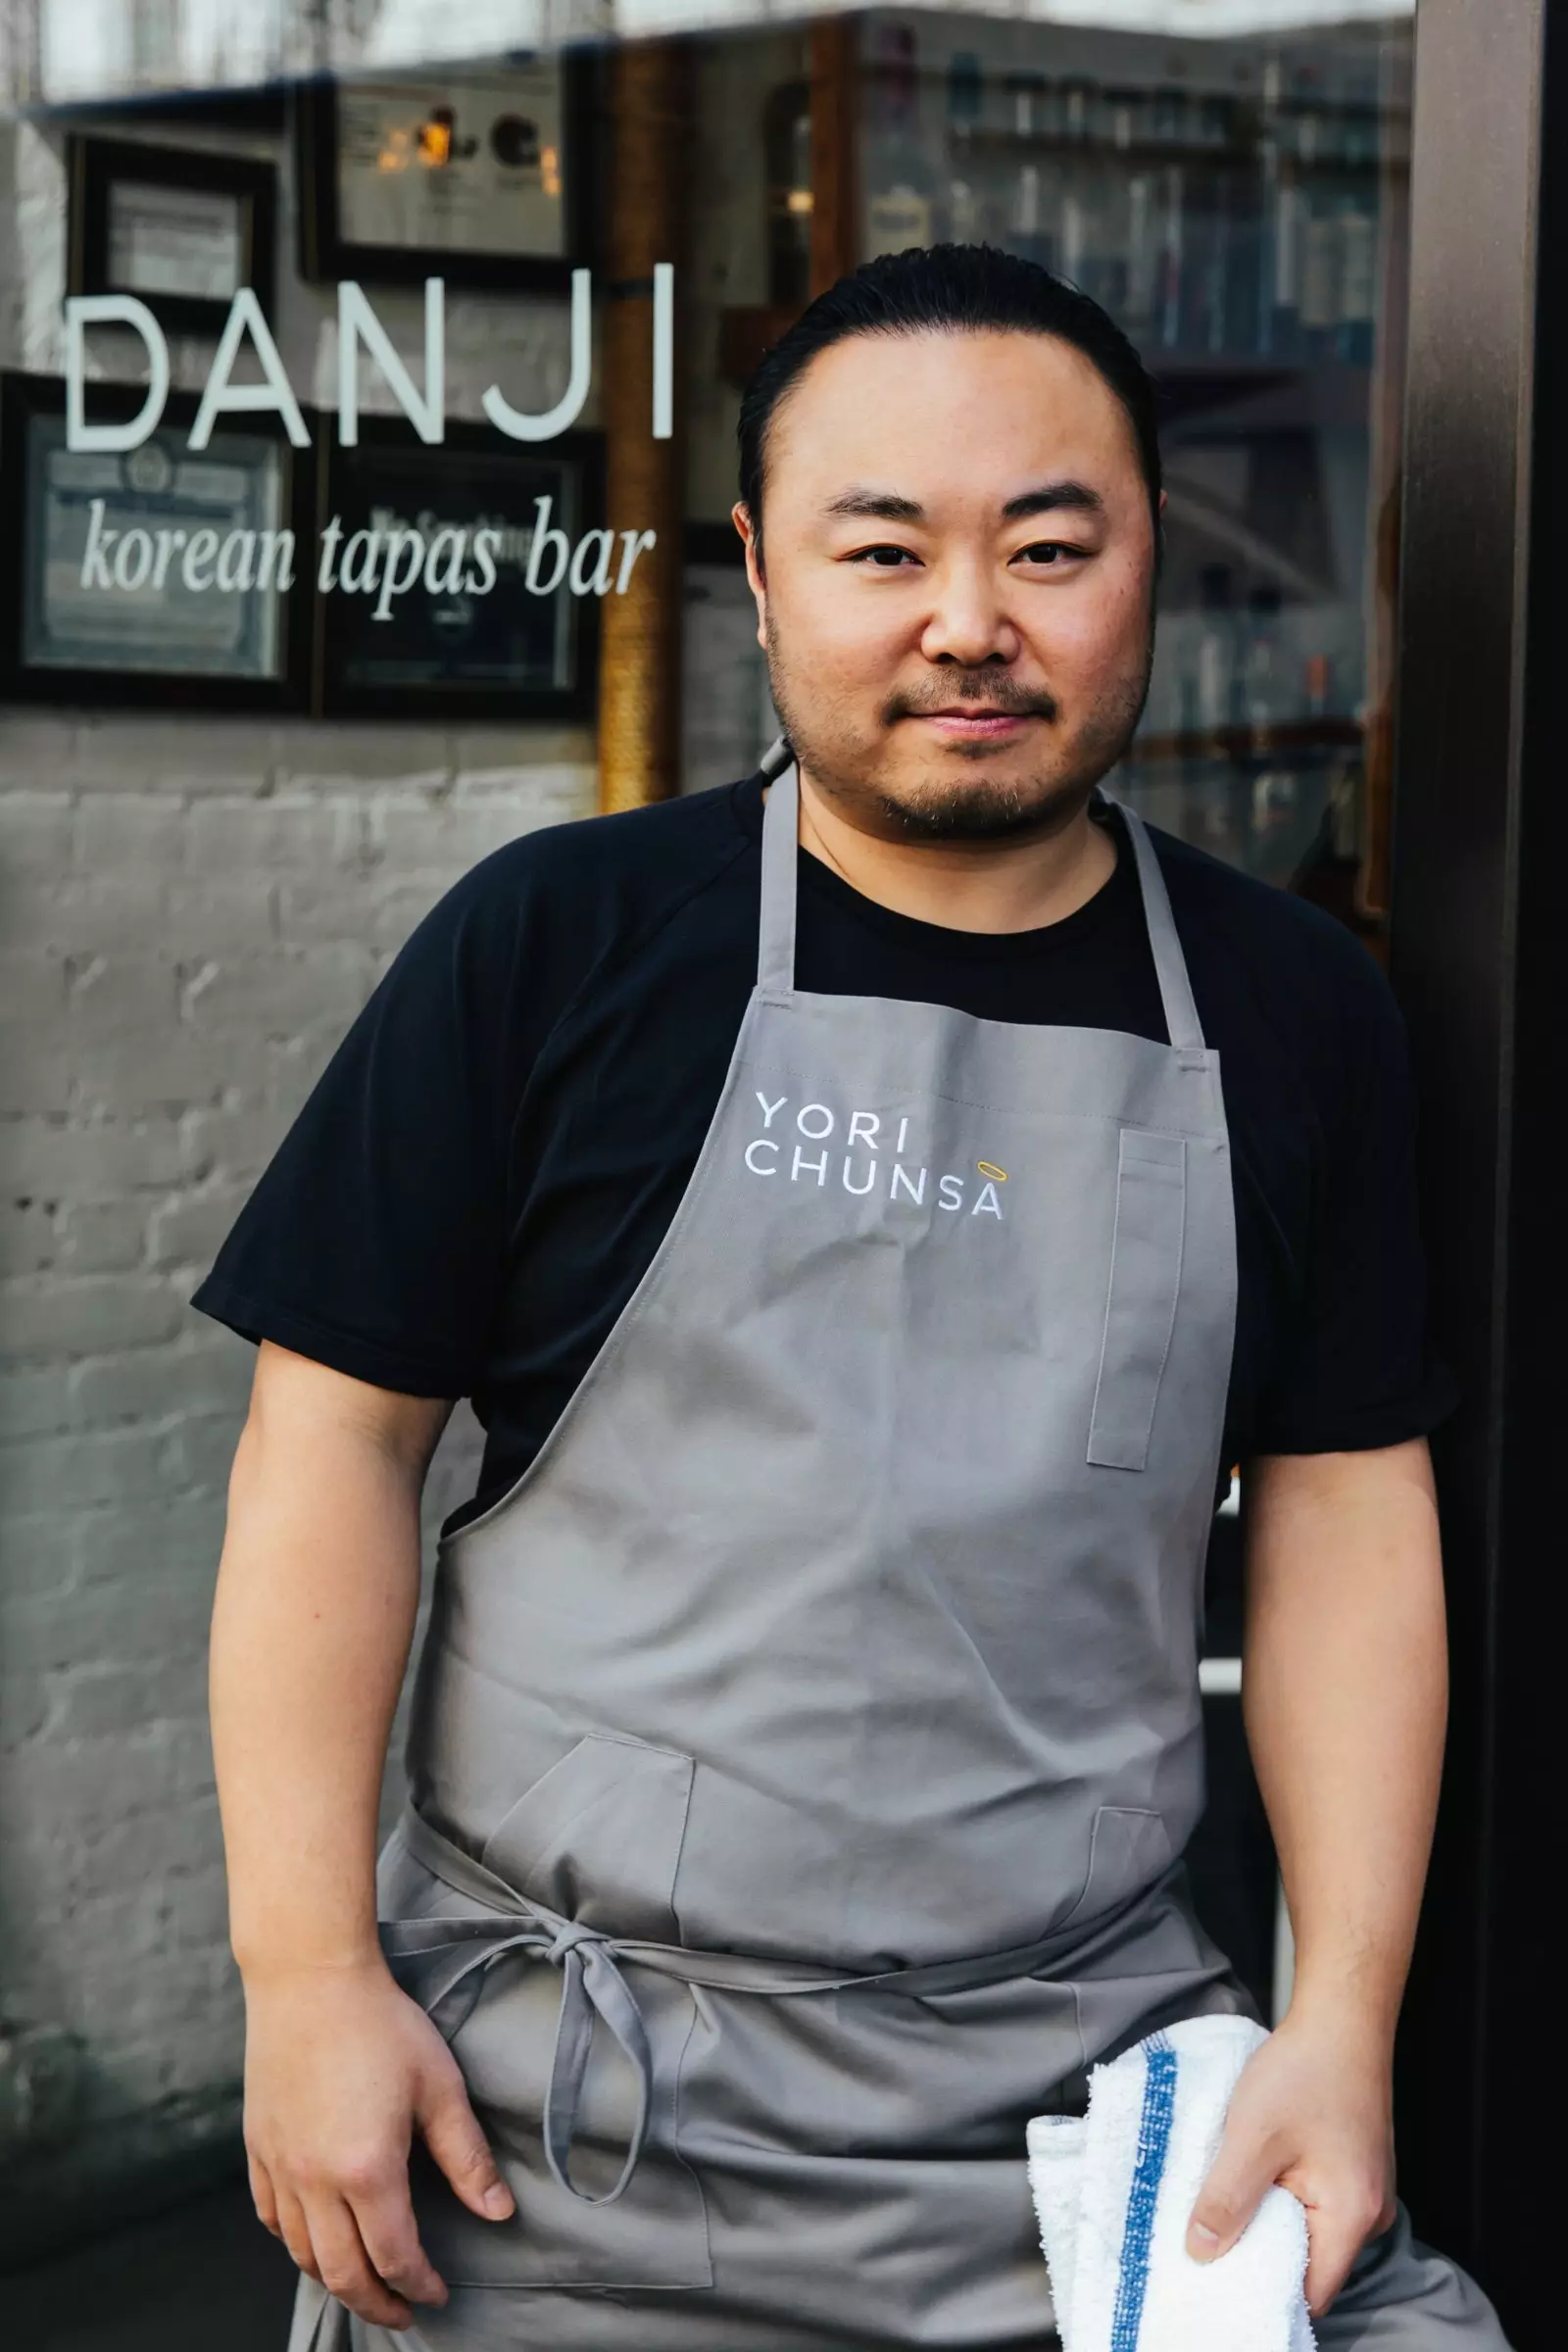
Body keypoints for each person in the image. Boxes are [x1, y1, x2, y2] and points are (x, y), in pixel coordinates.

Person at [198, 245, 1510, 2351]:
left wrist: (1336, 2019)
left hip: (1075, 2108)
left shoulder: (1291, 1010)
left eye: (1048, 546)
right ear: (760, 568)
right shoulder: (561, 943)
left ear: (1149, 565)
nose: (966, 621)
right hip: (552, 2122)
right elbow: (326, 1451)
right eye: (881, 545)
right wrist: (305, 1977)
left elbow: (1346, 1517)